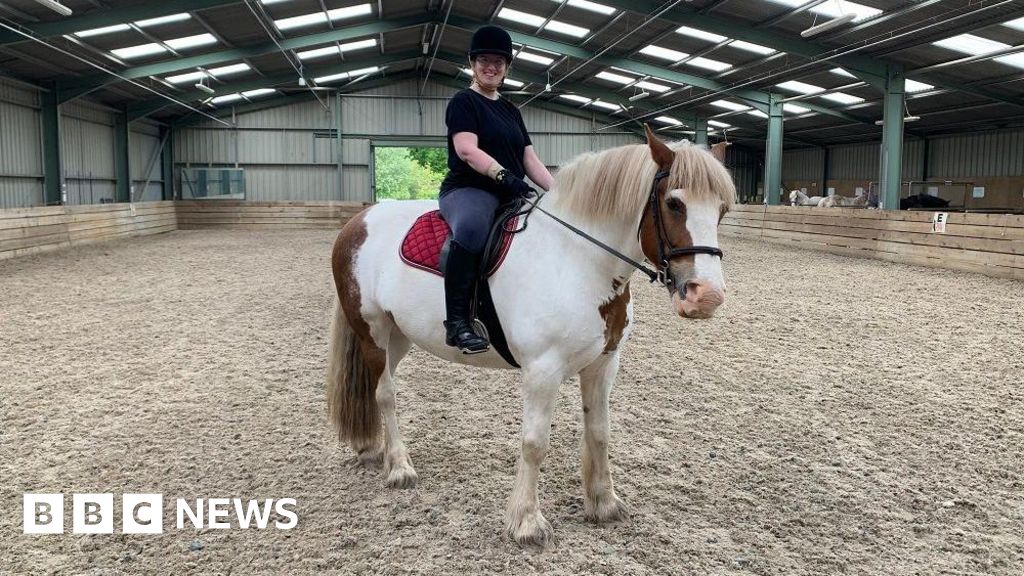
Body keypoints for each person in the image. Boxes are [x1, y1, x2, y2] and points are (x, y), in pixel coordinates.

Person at [439, 25, 554, 355]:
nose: (491, 67)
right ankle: (457, 323)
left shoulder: (510, 109)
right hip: (469, 188)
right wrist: (505, 178)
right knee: (473, 229)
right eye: (484, 60)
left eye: (498, 62)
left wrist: (559, 192)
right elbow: (466, 150)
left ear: (507, 67)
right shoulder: (464, 102)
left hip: (510, 191)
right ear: (473, 63)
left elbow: (528, 157)